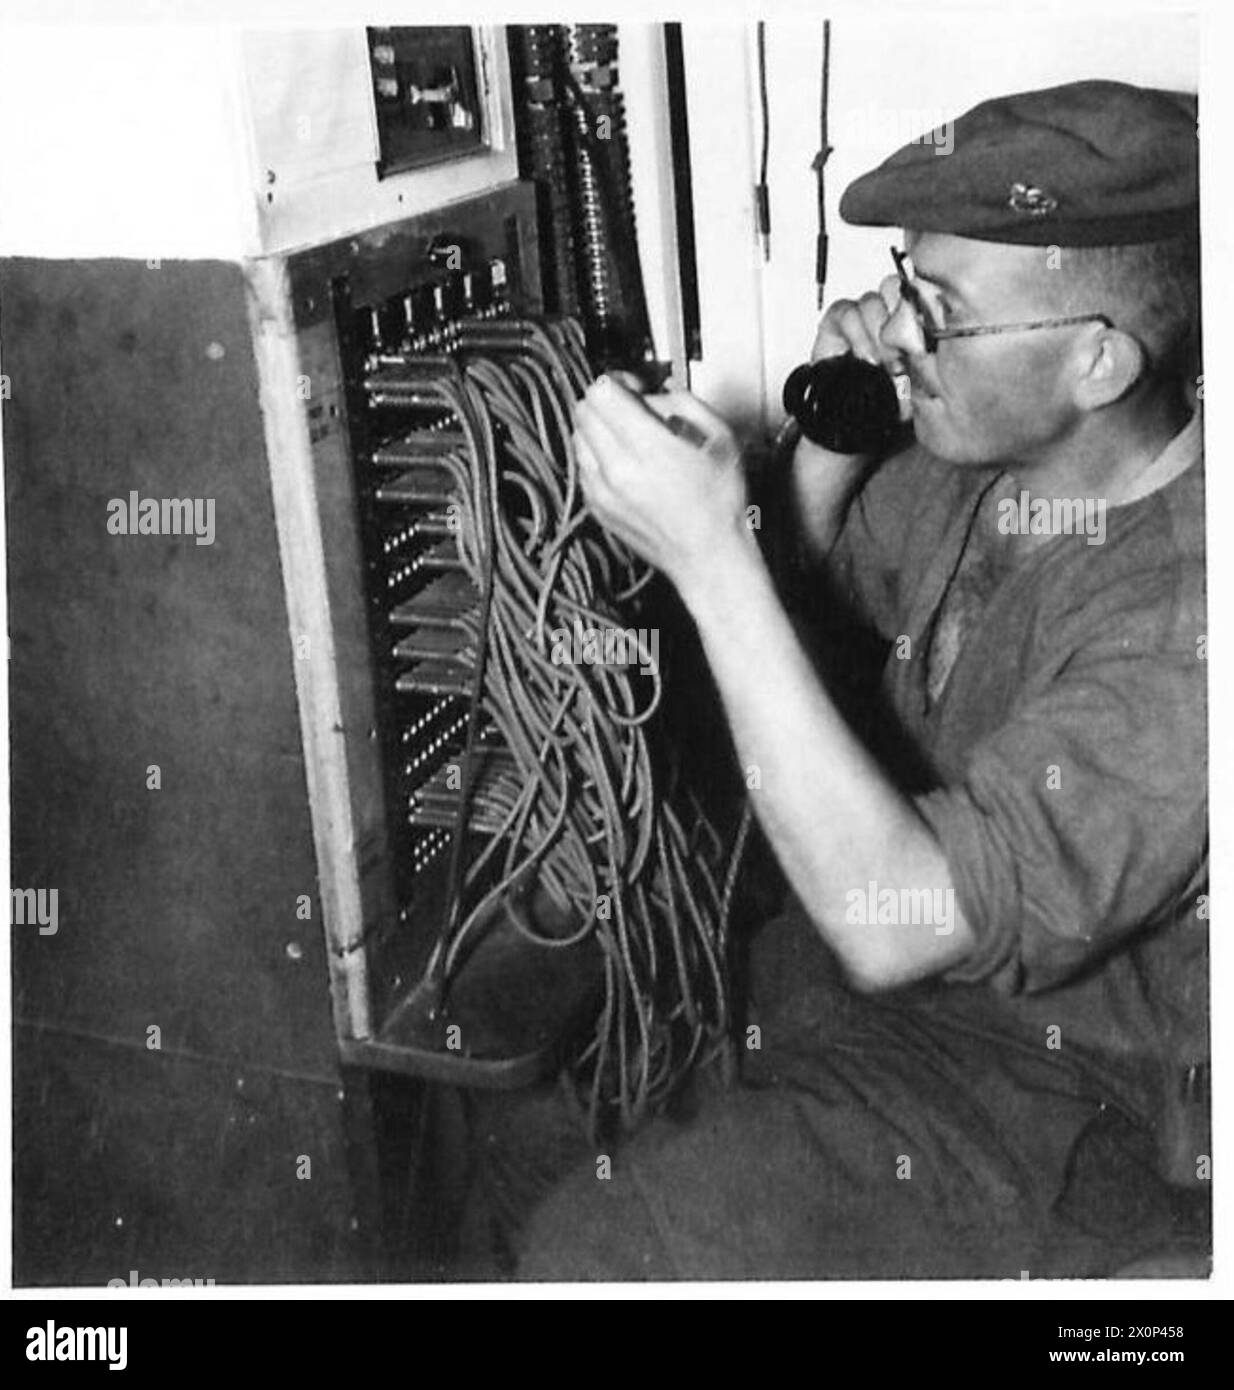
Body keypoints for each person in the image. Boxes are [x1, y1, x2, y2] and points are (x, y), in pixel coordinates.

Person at [515, 79, 1209, 1280]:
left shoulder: (1190, 628)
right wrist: (825, 460)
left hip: (1044, 1094)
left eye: (935, 313)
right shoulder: (981, 460)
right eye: (901, 282)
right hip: (840, 1007)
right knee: (507, 1155)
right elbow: (807, 657)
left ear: (1096, 361)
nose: (893, 331)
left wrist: (711, 554)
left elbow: (906, 920)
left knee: (599, 1245)